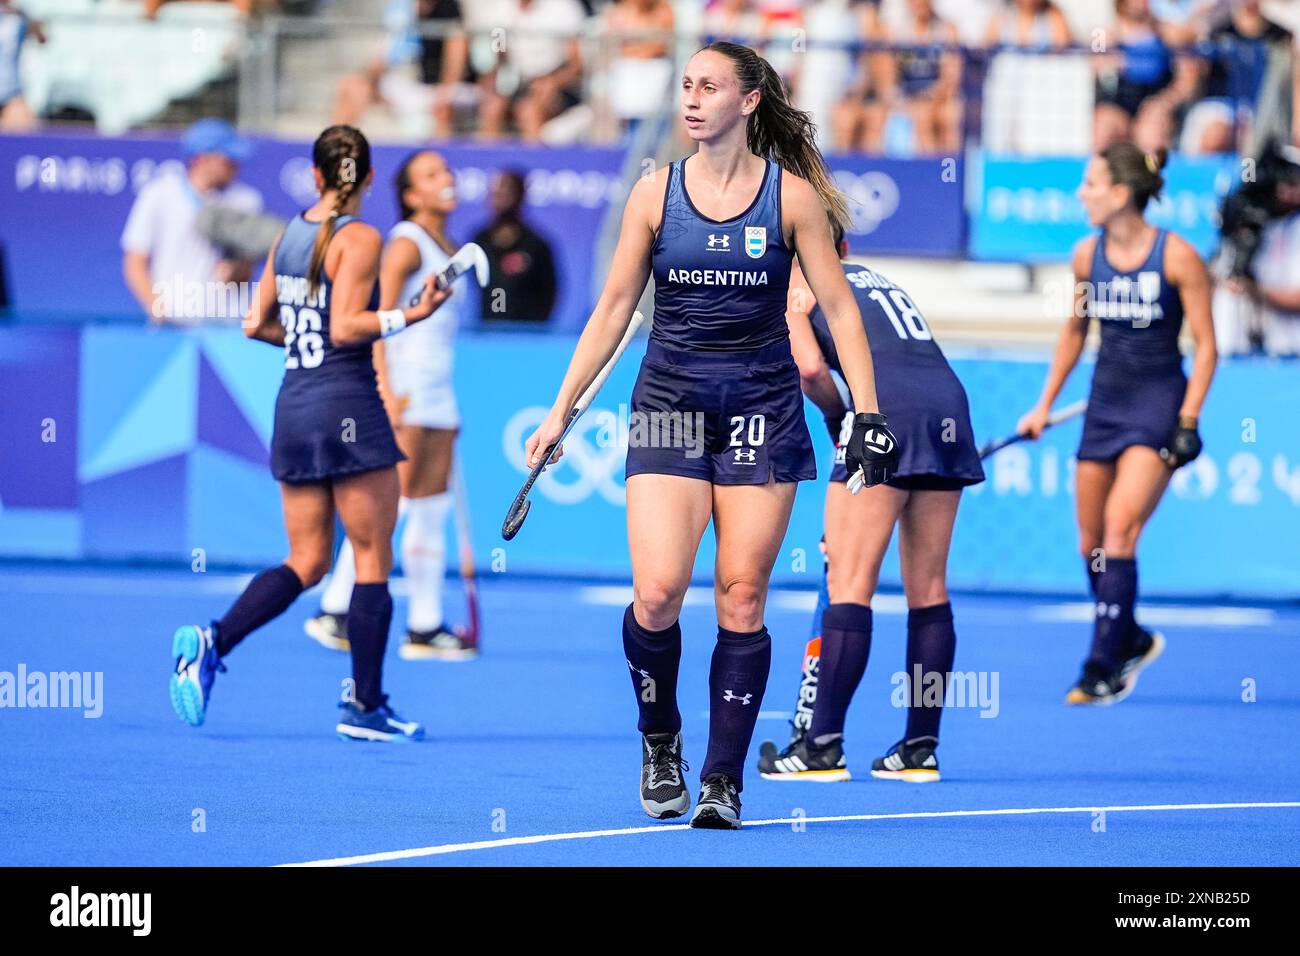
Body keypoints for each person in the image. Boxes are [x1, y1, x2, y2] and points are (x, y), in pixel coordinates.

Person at [523, 40, 900, 829]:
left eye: (709, 87)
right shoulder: (653, 195)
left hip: (761, 403)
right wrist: (561, 410)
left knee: (741, 594)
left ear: (749, 100)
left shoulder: (793, 200)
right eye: (685, 86)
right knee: (658, 593)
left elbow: (839, 311)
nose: (691, 99)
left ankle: (724, 779)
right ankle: (661, 740)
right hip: (669, 397)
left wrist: (866, 416)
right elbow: (613, 308)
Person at [169, 125, 452, 741]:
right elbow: (350, 327)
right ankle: (367, 706)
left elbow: (254, 324)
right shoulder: (362, 237)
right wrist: (414, 313)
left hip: (294, 405)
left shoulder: (289, 234)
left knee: (307, 560)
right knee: (373, 553)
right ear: (369, 179)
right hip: (348, 401)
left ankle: (214, 638)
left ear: (317, 176)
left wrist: (308, 339)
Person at [757, 218, 984, 783]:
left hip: (883, 410)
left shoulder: (797, 286)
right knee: (928, 587)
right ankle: (919, 748)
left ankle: (821, 747)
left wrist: (841, 421)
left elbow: (809, 368)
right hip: (948, 409)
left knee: (850, 581)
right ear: (846, 247)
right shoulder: (880, 279)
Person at [1017, 142, 1217, 705]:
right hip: (1103, 404)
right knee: (1090, 545)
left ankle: (1101, 664)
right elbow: (1075, 333)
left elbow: (1206, 347)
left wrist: (1188, 418)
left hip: (1156, 408)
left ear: (1122, 194)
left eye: (1091, 184)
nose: (1082, 194)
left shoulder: (1177, 257)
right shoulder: (1087, 255)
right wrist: (1042, 404)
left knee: (1120, 529)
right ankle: (1128, 635)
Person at [306, 150, 475, 660]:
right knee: (389, 506)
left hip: (439, 391)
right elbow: (370, 319)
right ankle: (335, 608)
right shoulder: (404, 243)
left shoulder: (451, 244)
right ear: (409, 195)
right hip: (405, 388)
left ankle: (424, 625)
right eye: (430, 175)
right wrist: (383, 387)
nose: (445, 179)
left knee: (430, 509)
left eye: (446, 170)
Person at [121, 119, 263, 325]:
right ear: (202, 158)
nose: (235, 165)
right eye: (228, 159)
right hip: (173, 324)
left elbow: (246, 269)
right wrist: (159, 311)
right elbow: (135, 262)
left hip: (227, 324)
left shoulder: (246, 200)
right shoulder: (159, 194)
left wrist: (235, 271)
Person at [472, 170, 558, 323]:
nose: (500, 198)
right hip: (487, 331)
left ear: (520, 195)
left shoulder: (536, 245)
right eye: (496, 193)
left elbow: (549, 291)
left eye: (506, 191)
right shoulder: (480, 241)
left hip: (526, 333)